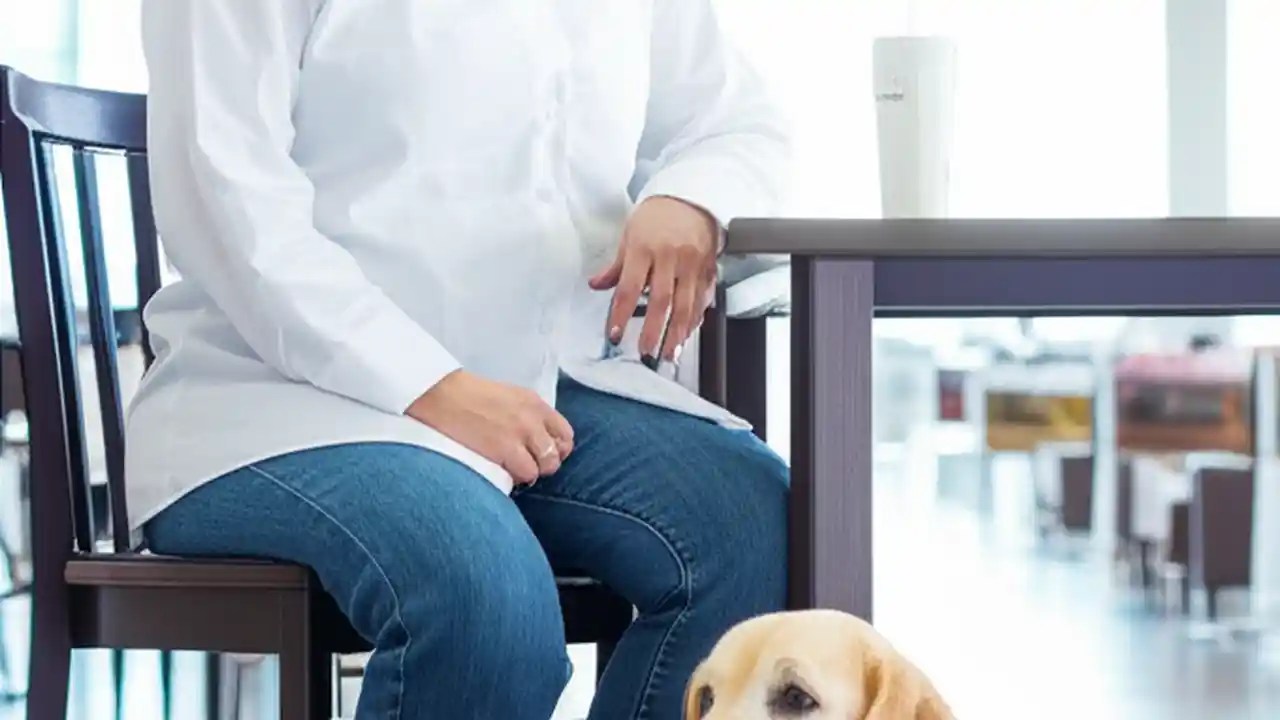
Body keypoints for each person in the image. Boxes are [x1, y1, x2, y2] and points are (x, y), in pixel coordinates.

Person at [131, 2, 791, 718]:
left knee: (752, 524)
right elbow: (225, 196)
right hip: (284, 403)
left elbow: (731, 118)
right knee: (482, 594)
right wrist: (431, 385)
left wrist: (687, 197)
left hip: (539, 388)